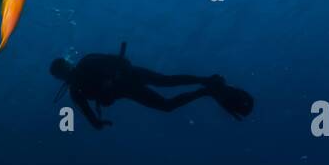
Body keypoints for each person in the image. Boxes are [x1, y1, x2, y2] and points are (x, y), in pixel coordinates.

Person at [50, 43, 254, 129]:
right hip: (129, 90)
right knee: (167, 102)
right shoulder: (76, 92)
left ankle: (206, 82)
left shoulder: (88, 62)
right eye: (63, 72)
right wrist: (99, 122)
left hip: (131, 77)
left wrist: (114, 77)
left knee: (167, 81)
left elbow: (122, 62)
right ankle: (205, 89)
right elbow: (91, 119)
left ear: (69, 64)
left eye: (65, 68)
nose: (67, 73)